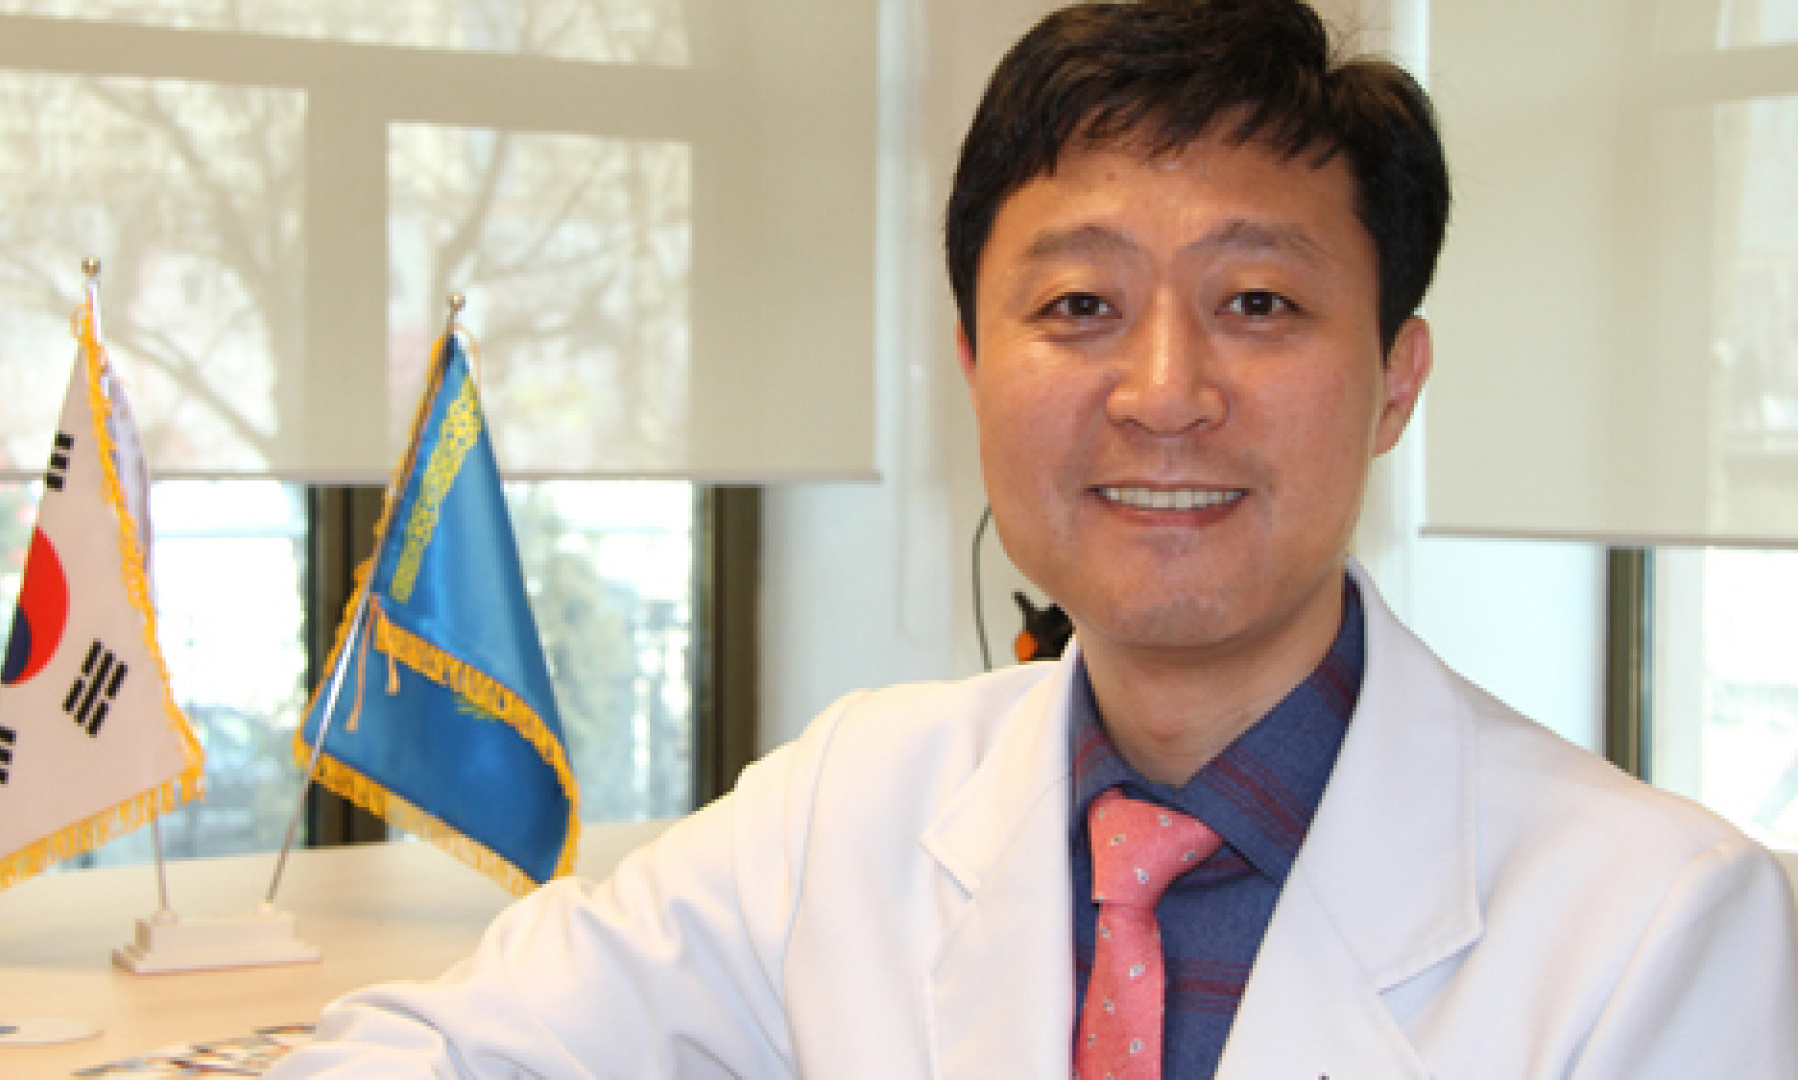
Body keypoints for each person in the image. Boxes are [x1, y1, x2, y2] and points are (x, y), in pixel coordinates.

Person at [270, 1, 1798, 1076]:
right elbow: (429, 1052)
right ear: (972, 366)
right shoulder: (849, 806)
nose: (1165, 392)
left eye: (1258, 302)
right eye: (1079, 306)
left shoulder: (1660, 926)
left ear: (1397, 380)